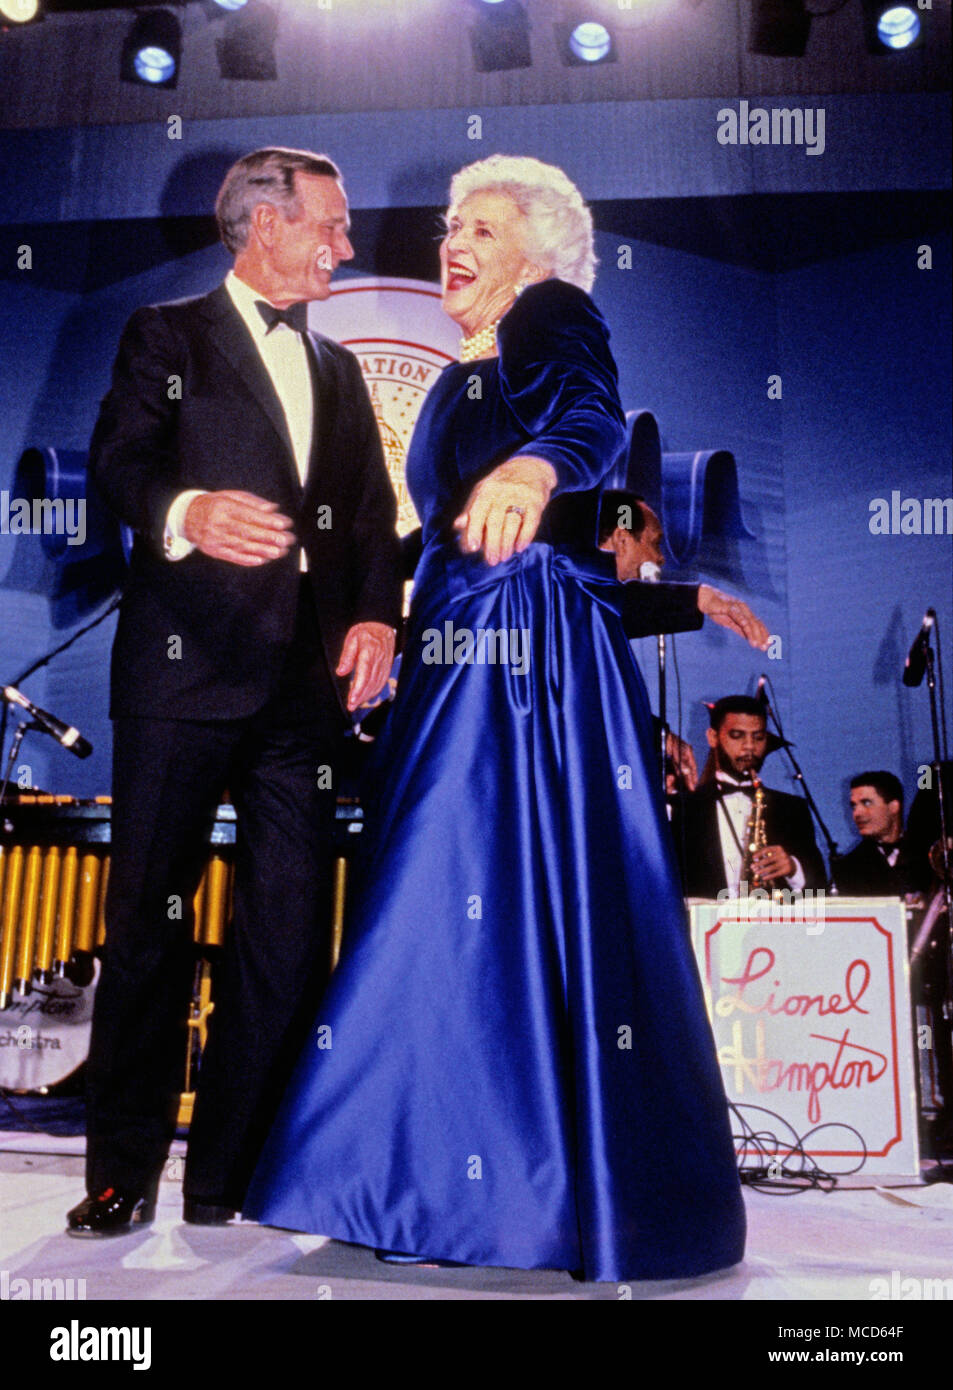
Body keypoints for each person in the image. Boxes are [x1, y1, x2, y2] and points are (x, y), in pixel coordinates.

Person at [245, 155, 768, 1282]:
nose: (453, 241)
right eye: (451, 224)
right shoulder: (462, 373)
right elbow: (444, 537)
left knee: (441, 893)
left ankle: (431, 1188)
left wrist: (536, 466)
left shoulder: (550, 312)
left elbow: (587, 417)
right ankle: (440, 1189)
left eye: (481, 227)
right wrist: (356, 600)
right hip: (462, 650)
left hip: (517, 666)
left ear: (535, 258)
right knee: (459, 906)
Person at [66, 148, 402, 1237]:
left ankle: (233, 1172)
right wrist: (187, 510)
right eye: (330, 225)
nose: (344, 245)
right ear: (267, 224)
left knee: (287, 937)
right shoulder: (166, 335)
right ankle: (120, 1174)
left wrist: (375, 615)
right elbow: (119, 461)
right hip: (181, 675)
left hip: (302, 693)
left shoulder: (339, 369)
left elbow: (367, 516)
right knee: (148, 929)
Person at [672, 694, 827, 898]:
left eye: (758, 737)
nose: (749, 746)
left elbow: (820, 888)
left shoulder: (792, 808)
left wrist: (793, 868)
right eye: (737, 735)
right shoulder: (682, 808)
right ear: (712, 737)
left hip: (772, 918)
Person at [832, 772, 931, 897]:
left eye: (866, 803)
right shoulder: (846, 868)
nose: (857, 813)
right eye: (854, 806)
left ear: (893, 807)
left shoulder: (931, 858)